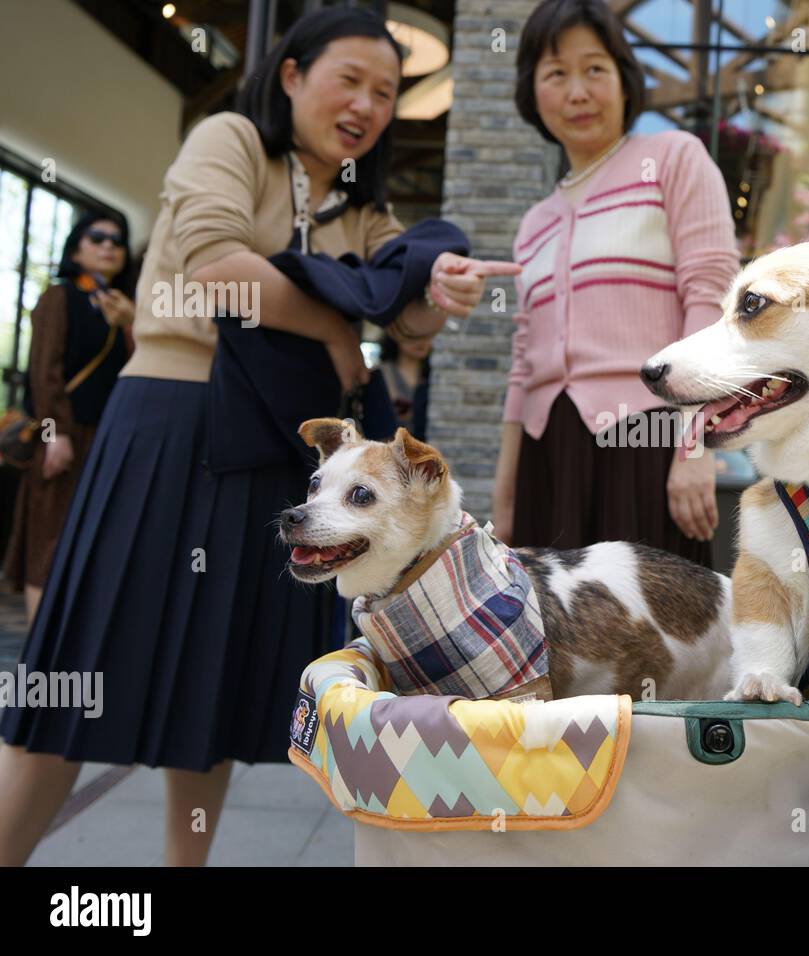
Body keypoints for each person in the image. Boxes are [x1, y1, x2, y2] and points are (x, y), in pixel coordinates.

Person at [0, 7, 512, 867]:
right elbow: (215, 270)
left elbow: (409, 302)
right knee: (74, 685)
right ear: (291, 75)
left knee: (215, 686)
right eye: (349, 79)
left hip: (275, 447)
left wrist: (442, 284)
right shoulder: (231, 138)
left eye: (386, 92)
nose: (367, 104)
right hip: (170, 423)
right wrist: (338, 331)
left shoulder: (361, 205)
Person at [491, 0, 740, 560]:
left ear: (625, 81)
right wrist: (505, 490)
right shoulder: (535, 223)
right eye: (556, 74)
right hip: (547, 457)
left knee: (647, 634)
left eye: (594, 69)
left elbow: (709, 299)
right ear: (533, 92)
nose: (577, 91)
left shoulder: (675, 158)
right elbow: (523, 362)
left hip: (643, 440)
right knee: (552, 635)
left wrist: (694, 447)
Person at [4, 212, 134, 622]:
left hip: (107, 437)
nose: (108, 245)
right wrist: (54, 433)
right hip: (65, 432)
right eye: (97, 237)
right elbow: (45, 370)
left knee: (91, 536)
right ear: (76, 247)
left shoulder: (124, 307)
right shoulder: (60, 297)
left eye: (117, 240)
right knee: (49, 533)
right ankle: (39, 643)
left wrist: (129, 324)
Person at [378, 331, 431, 441]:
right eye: (413, 335)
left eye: (427, 335)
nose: (421, 342)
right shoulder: (381, 374)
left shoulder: (435, 377)